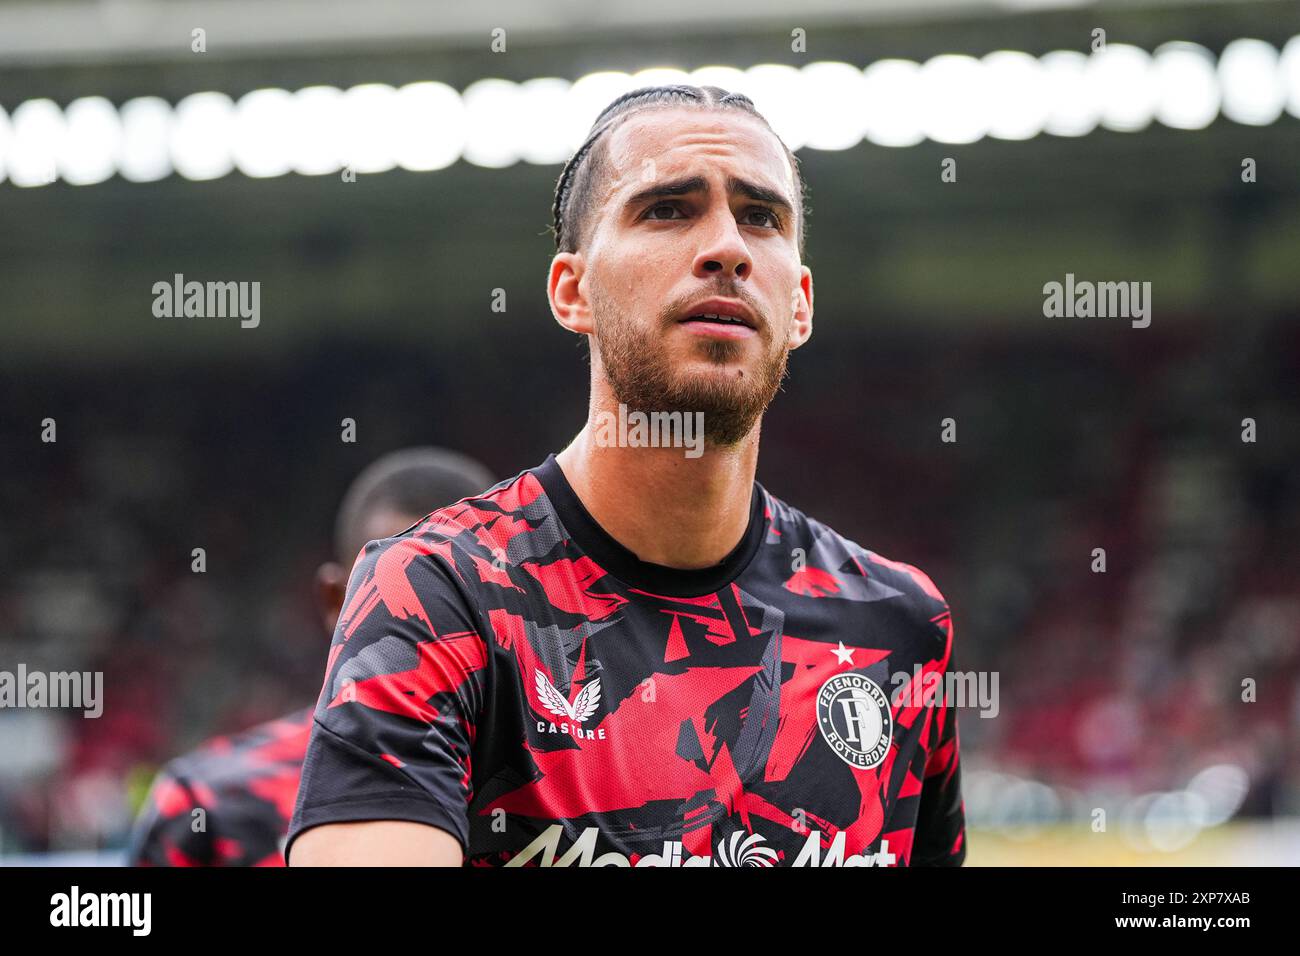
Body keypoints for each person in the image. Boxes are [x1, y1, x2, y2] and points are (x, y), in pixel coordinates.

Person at [288, 84, 966, 867]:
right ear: (573, 292)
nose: (728, 247)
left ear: (802, 304)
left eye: (762, 217)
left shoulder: (900, 628)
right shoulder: (435, 597)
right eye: (668, 210)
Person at [126, 447, 495, 865]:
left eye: (459, 600)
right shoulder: (210, 809)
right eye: (394, 595)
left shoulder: (569, 795)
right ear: (335, 601)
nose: (428, 626)